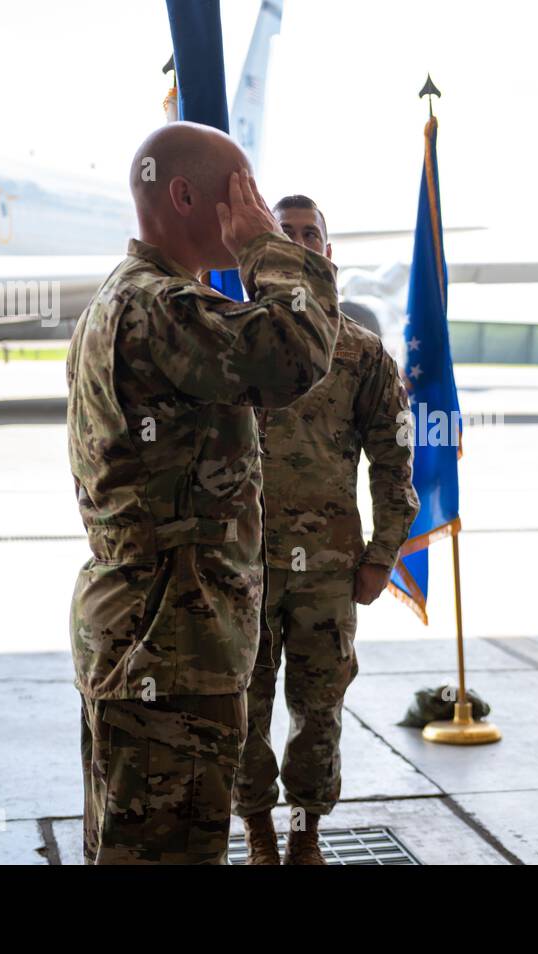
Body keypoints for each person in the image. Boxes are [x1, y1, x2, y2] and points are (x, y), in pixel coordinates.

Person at [67, 123, 341, 864]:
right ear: (185, 195)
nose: (251, 207)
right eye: (240, 193)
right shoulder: (160, 309)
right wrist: (266, 248)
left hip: (148, 636)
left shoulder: (126, 300)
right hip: (169, 647)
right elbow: (297, 351)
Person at [233, 194, 419, 865]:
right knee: (243, 710)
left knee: (319, 709)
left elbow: (395, 462)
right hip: (241, 569)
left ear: (328, 255)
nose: (301, 243)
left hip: (330, 571)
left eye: (312, 234)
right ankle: (256, 830)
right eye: (285, 234)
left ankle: (306, 829)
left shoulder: (364, 355)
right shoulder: (236, 340)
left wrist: (381, 556)